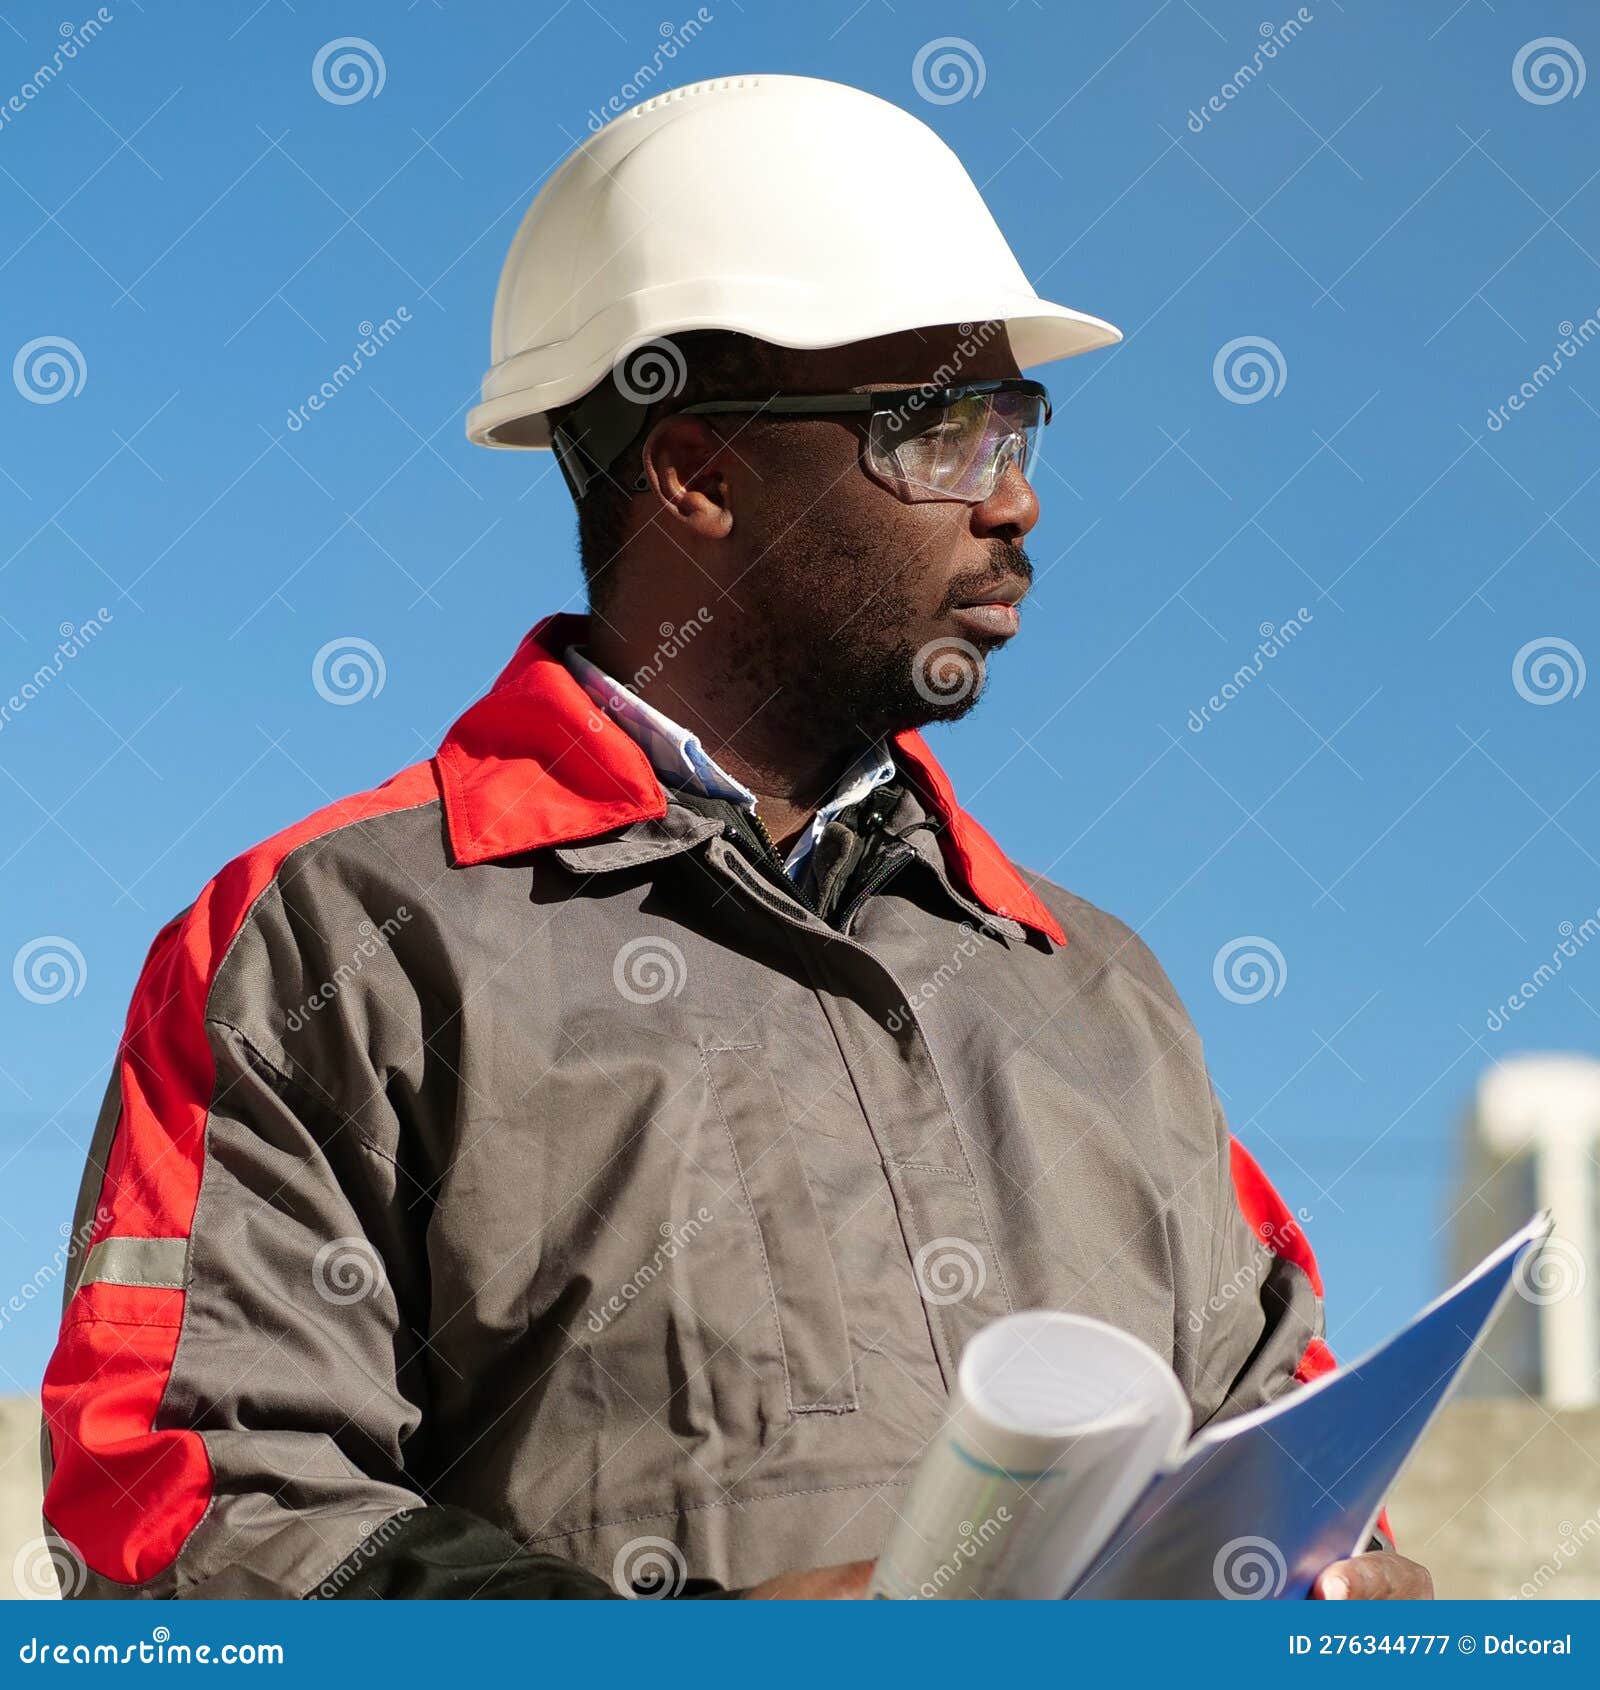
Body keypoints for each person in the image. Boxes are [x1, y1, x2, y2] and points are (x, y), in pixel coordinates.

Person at [39, 74, 1429, 1601]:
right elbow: (187, 1513)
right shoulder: (337, 938)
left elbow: (1295, 1437)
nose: (1017, 500)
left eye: (1019, 428)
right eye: (945, 432)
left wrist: (1350, 1583)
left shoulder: (1101, 990)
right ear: (698, 471)